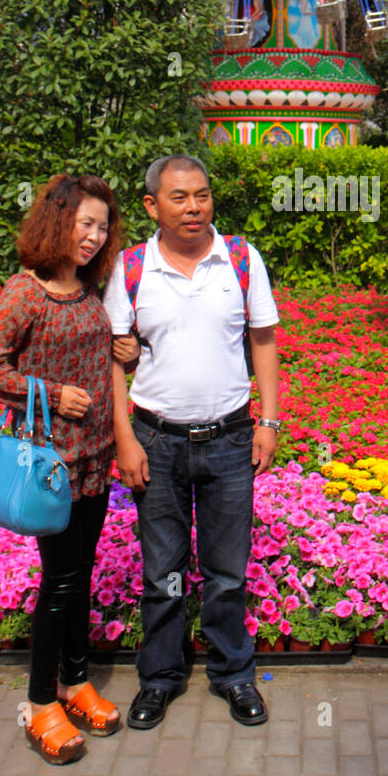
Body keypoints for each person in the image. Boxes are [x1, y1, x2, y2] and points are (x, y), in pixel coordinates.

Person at [104, 155, 280, 729]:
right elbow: (113, 358)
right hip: (157, 440)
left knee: (228, 570)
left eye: (202, 195)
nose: (194, 207)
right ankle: (160, 678)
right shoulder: (132, 269)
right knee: (163, 573)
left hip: (230, 437)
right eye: (179, 198)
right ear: (153, 206)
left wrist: (269, 422)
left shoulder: (240, 259)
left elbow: (264, 341)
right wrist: (124, 438)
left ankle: (233, 675)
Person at [0, 174, 124, 764]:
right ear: (58, 222)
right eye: (85, 223)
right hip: (49, 465)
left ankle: (75, 681)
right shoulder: (24, 293)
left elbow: (95, 349)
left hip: (96, 459)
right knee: (59, 581)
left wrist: (121, 350)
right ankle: (38, 702)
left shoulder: (89, 289)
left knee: (80, 575)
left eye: (102, 226)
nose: (93, 236)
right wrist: (50, 393)